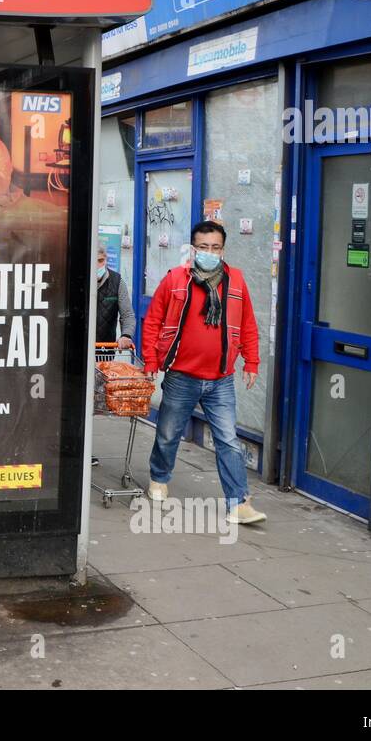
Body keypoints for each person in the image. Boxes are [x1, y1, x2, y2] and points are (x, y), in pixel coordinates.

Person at [140, 221, 265, 524]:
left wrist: (251, 361)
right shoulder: (175, 280)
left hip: (220, 379)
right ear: (193, 248)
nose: (210, 253)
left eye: (216, 248)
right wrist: (150, 362)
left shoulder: (235, 281)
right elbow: (153, 320)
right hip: (182, 376)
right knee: (169, 434)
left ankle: (239, 503)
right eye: (204, 247)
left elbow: (247, 322)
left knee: (228, 441)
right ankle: (159, 477)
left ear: (223, 249)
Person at [92, 241, 136, 468]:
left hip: (102, 352)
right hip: (80, 352)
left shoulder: (117, 282)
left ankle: (85, 447)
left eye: (101, 261)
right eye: (94, 261)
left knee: (95, 404)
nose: (98, 265)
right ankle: (78, 448)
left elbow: (127, 313)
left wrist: (126, 334)